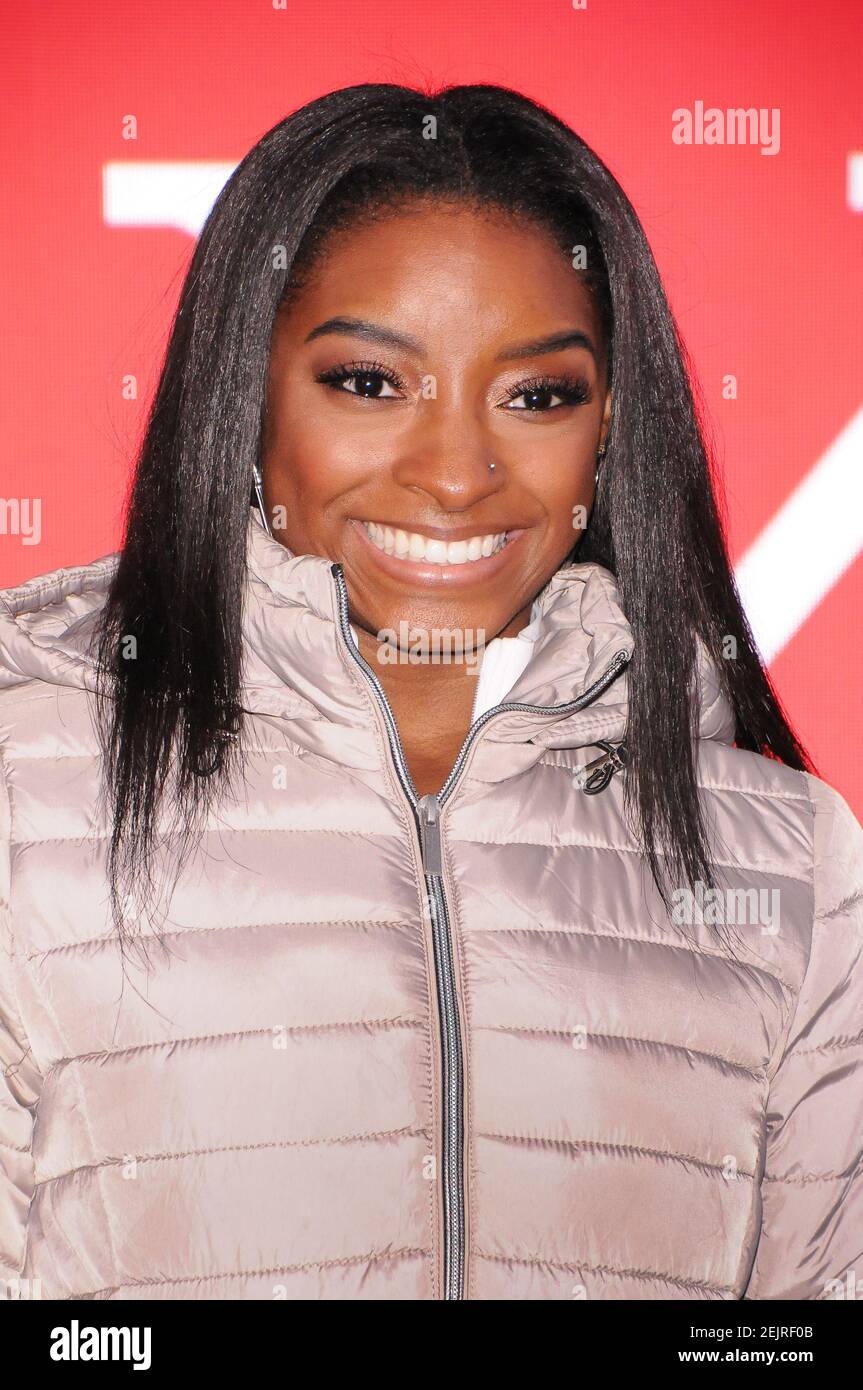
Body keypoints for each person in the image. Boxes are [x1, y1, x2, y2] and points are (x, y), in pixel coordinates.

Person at [1, 81, 861, 1303]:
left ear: (609, 427)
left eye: (536, 394)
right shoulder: (22, 800)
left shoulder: (790, 870)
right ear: (242, 401)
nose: (456, 474)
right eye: (367, 382)